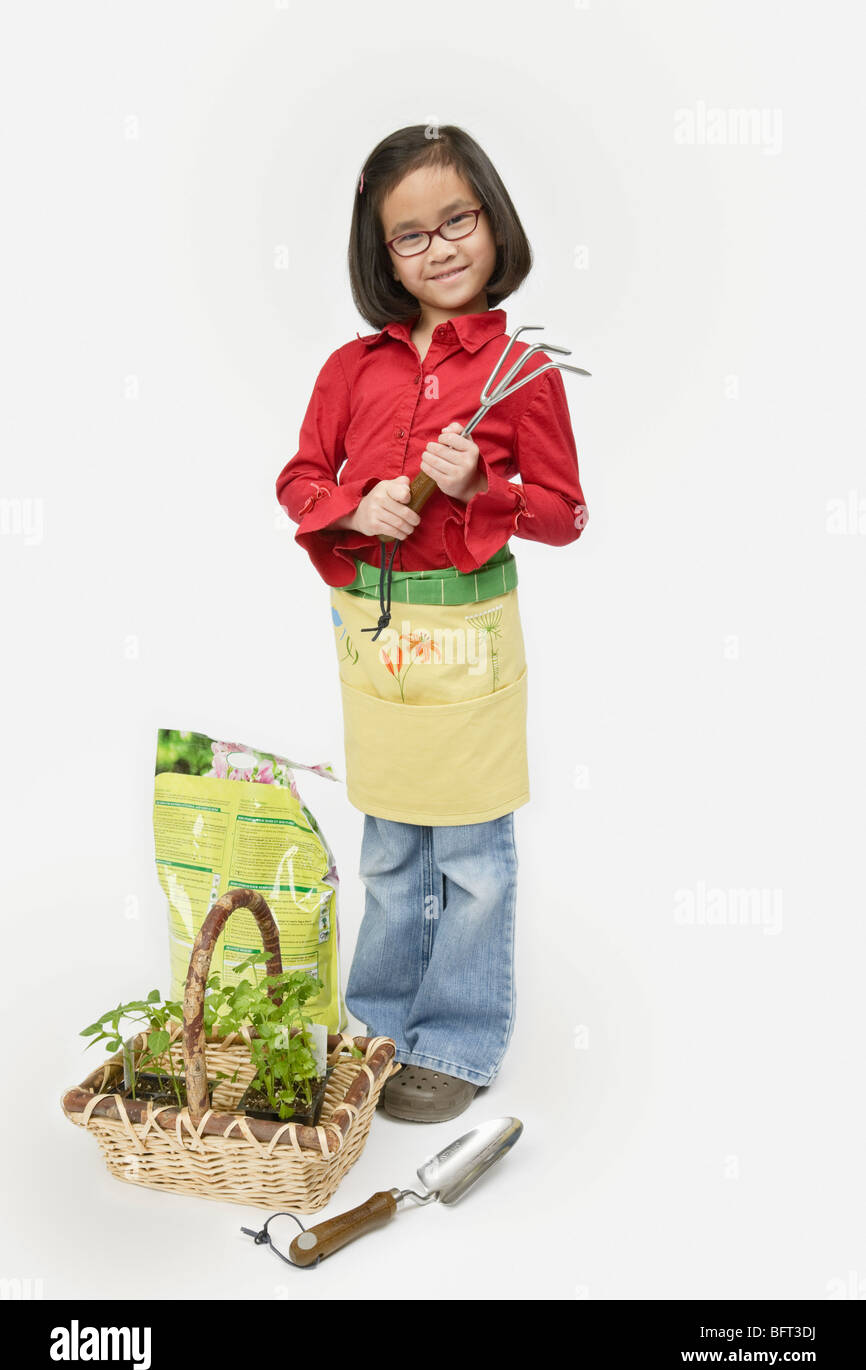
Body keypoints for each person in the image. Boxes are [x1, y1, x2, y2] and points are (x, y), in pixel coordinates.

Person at [275, 123, 588, 1122]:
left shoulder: (520, 372)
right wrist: (350, 503)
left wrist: (484, 484)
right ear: (382, 253)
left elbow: (564, 513)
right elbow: (297, 480)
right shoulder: (348, 370)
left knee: (470, 852)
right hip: (374, 631)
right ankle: (375, 1028)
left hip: (466, 637)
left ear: (492, 220)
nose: (441, 246)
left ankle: (453, 1039)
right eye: (410, 235)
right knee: (388, 842)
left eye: (458, 220)